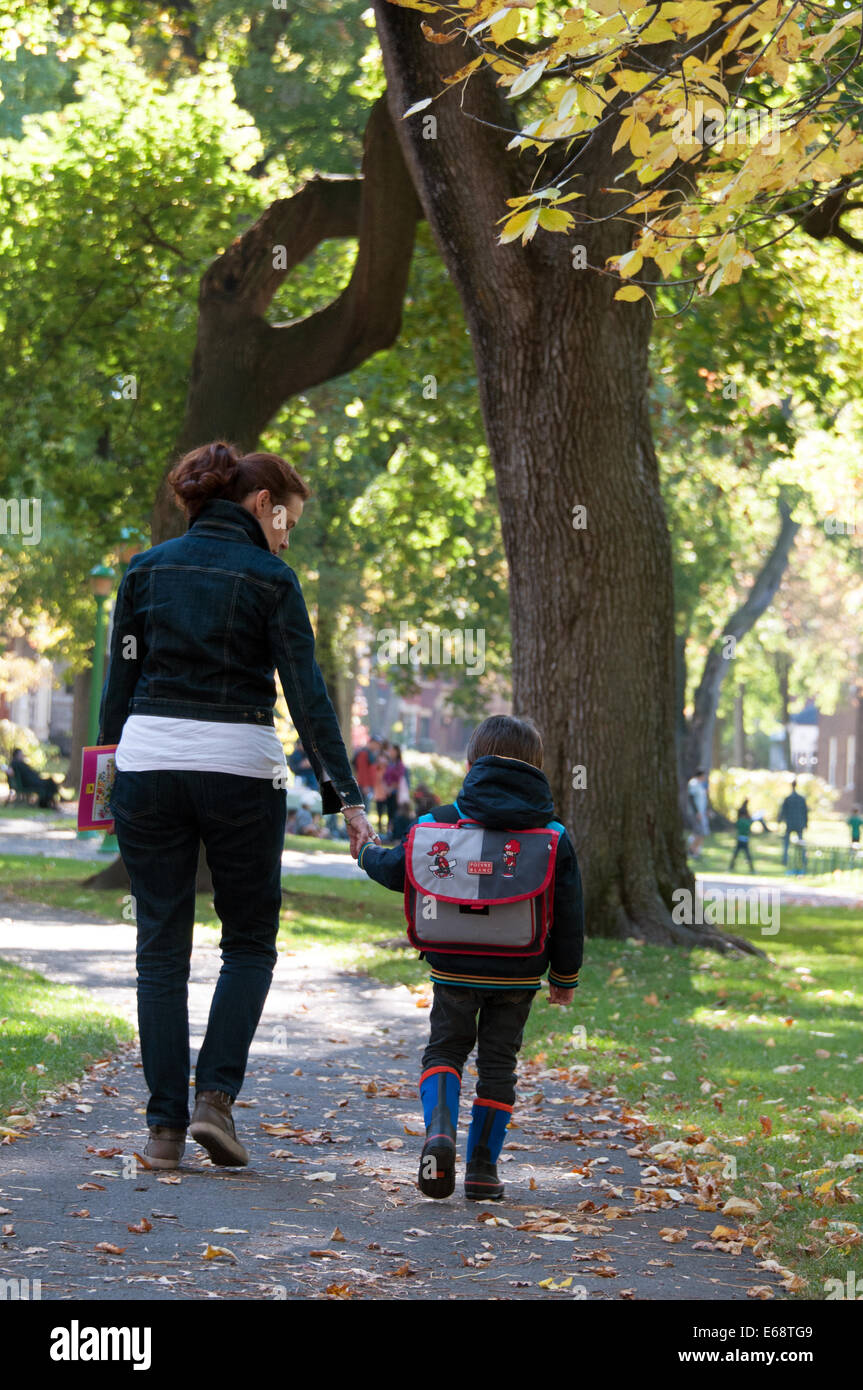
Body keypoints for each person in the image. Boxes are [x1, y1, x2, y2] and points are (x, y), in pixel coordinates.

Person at [98, 441, 380, 1174]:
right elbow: (307, 695)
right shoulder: (272, 579)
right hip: (240, 769)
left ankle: (163, 1132)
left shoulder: (145, 569)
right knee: (249, 941)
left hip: (149, 763)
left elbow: (119, 683)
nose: (287, 538)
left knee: (160, 947)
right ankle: (214, 1101)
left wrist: (104, 782)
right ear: (261, 504)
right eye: (288, 521)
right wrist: (348, 799)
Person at [356, 714, 584, 1203]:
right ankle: (482, 1171)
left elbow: (396, 870)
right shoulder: (552, 836)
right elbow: (570, 913)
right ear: (536, 765)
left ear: (470, 763)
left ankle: (439, 1134)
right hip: (519, 971)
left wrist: (365, 853)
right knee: (499, 1065)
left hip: (453, 964)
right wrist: (564, 977)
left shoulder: (435, 824)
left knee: (445, 1050)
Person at [779, 778, 808, 869]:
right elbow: (805, 812)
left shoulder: (789, 798)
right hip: (798, 823)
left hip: (790, 823)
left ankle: (785, 860)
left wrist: (779, 821)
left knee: (787, 843)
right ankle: (803, 860)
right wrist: (805, 823)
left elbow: (783, 811)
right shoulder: (801, 799)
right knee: (800, 842)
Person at [383, 742, 408, 832]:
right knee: (389, 813)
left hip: (396, 793)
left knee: (395, 813)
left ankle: (394, 832)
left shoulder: (399, 765)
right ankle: (389, 832)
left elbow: (399, 779)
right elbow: (385, 777)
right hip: (389, 792)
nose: (390, 752)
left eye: (392, 750)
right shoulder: (389, 764)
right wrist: (386, 788)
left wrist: (391, 788)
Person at [352, 736, 380, 814]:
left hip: (368, 786)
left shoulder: (370, 753)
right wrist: (365, 786)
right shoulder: (363, 753)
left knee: (365, 810)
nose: (378, 746)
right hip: (364, 787)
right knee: (363, 810)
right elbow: (362, 771)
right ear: (371, 743)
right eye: (376, 744)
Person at [686, 769, 710, 857]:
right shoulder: (693, 783)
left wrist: (706, 810)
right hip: (696, 813)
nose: (705, 778)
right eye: (704, 776)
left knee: (702, 833)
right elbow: (691, 798)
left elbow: (702, 800)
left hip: (701, 813)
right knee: (699, 832)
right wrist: (697, 812)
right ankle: (692, 851)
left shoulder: (700, 785)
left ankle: (695, 852)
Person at [728, 798, 755, 873]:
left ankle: (731, 867)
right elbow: (749, 827)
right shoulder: (747, 822)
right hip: (745, 840)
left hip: (740, 839)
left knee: (736, 854)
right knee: (747, 855)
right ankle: (752, 869)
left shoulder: (739, 821)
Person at [372, 740, 390, 834]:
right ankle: (380, 828)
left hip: (386, 790)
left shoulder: (387, 765)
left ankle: (387, 829)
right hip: (378, 790)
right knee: (379, 811)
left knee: (388, 811)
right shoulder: (377, 759)